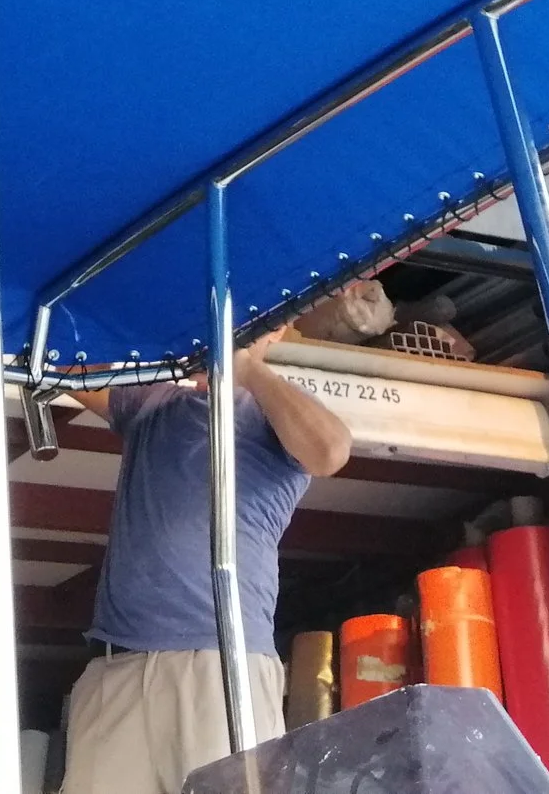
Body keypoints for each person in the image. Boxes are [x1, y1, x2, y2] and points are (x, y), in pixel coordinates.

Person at [58, 327, 353, 794]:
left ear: (273, 331)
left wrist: (248, 370)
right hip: (116, 666)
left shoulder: (272, 417)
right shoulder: (152, 404)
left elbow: (331, 450)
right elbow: (62, 368)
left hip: (217, 662)